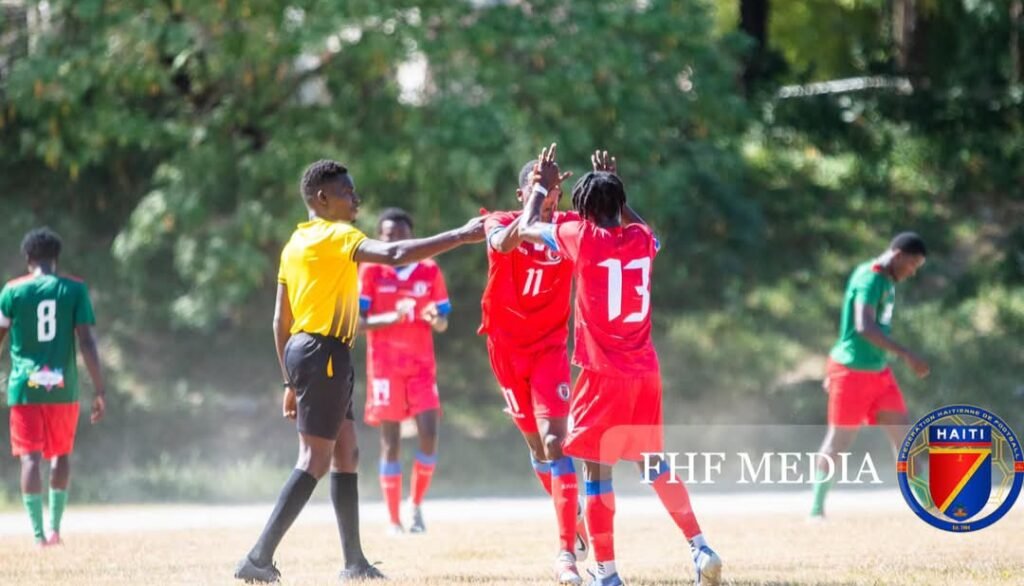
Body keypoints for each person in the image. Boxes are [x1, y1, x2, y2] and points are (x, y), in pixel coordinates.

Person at [234, 160, 484, 583]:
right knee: (314, 459)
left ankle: (354, 564)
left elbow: (280, 319)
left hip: (309, 351)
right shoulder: (337, 235)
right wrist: (461, 235)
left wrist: (289, 381)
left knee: (346, 454)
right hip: (324, 352)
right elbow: (395, 254)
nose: (356, 199)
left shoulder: (295, 243)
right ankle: (257, 558)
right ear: (322, 198)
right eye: (348, 192)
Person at [517, 145, 722, 586]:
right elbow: (644, 227)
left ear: (585, 211)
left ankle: (606, 573)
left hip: (602, 374)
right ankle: (701, 546)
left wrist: (539, 184)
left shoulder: (580, 235)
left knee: (596, 469)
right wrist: (614, 189)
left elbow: (530, 225)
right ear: (619, 207)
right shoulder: (643, 240)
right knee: (653, 463)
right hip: (645, 372)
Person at [480, 158, 591, 583]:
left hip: (548, 349)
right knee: (538, 448)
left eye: (555, 193)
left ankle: (565, 554)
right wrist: (538, 191)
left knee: (555, 442)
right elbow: (509, 242)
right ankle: (572, 512)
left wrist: (608, 187)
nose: (550, 202)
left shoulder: (565, 226)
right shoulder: (499, 221)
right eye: (540, 191)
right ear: (521, 194)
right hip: (506, 350)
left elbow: (608, 234)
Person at [809, 232, 930, 519]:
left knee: (904, 435)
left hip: (878, 372)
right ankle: (816, 509)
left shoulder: (888, 280)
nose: (912, 272)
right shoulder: (870, 277)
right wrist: (906, 353)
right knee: (839, 441)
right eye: (912, 264)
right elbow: (863, 327)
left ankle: (928, 505)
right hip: (851, 372)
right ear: (897, 255)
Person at [0, 227, 106, 546]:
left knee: (30, 458)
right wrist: (100, 389)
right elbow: (86, 342)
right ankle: (56, 530)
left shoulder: (12, 291)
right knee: (60, 454)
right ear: (56, 259)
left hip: (25, 387)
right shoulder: (74, 290)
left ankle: (37, 536)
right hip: (62, 386)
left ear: (28, 258)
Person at [358, 207, 451, 535]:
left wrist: (433, 319)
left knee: (429, 434)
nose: (392, 240)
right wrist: (391, 318)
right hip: (384, 368)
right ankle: (393, 519)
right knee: (391, 442)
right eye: (386, 235)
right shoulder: (370, 272)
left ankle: (415, 506)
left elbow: (442, 321)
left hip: (421, 367)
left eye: (399, 235)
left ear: (411, 237)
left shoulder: (429, 269)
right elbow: (358, 322)